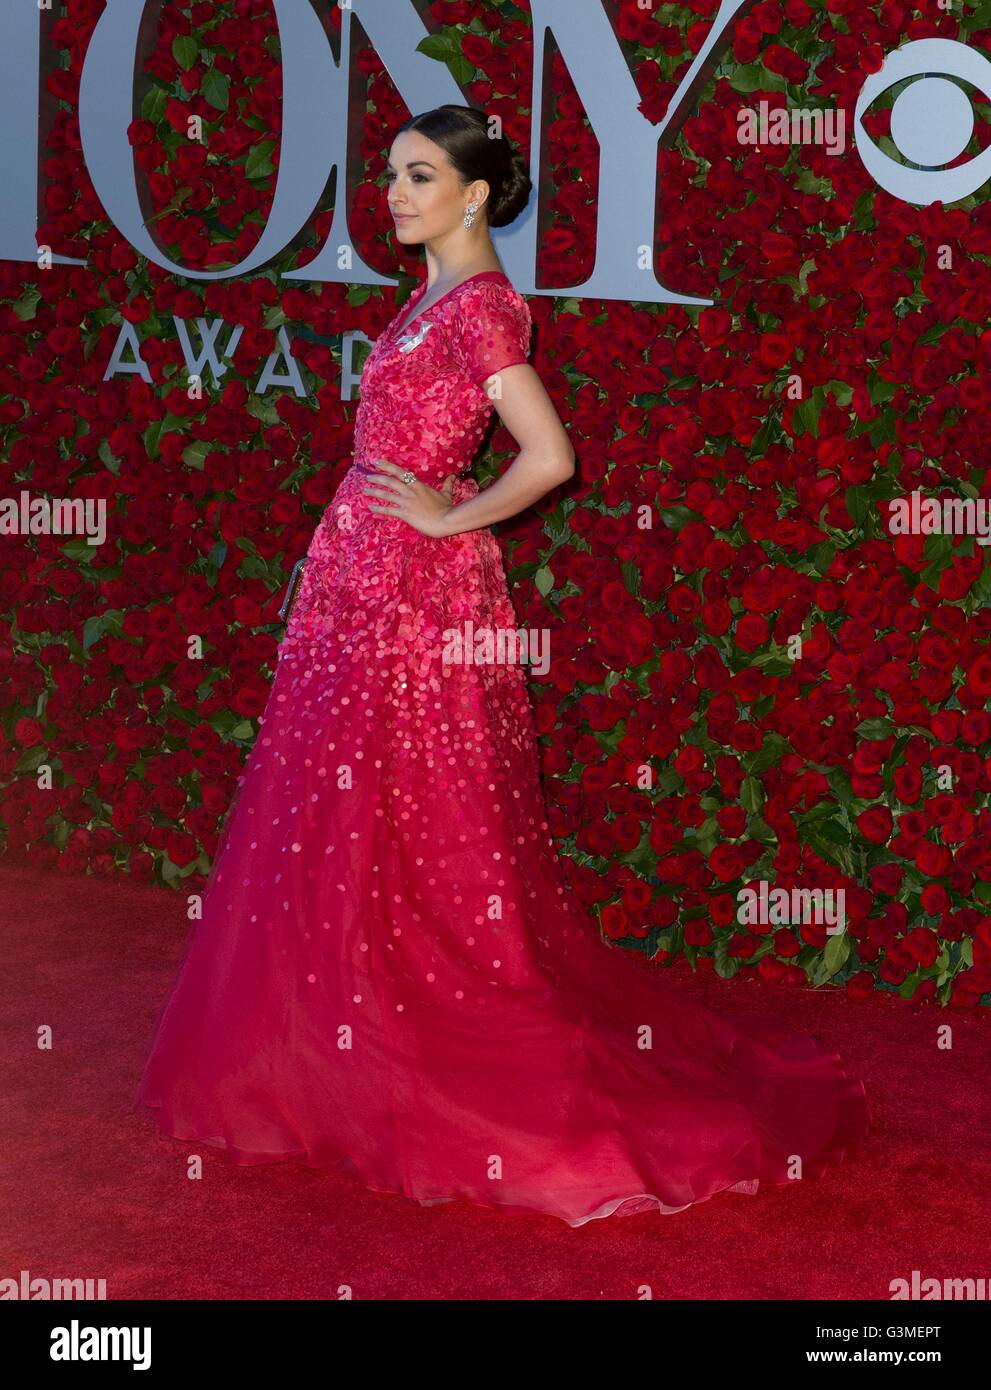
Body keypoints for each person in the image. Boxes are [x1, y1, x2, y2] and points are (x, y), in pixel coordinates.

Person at [136, 105, 870, 1227]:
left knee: (419, 822)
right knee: (341, 820)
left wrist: (446, 520)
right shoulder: (432, 296)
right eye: (389, 173)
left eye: (418, 174)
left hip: (414, 601)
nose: (393, 191)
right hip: (358, 591)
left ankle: (398, 1040)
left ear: (475, 194)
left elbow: (552, 456)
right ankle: (339, 1034)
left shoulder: (481, 309)